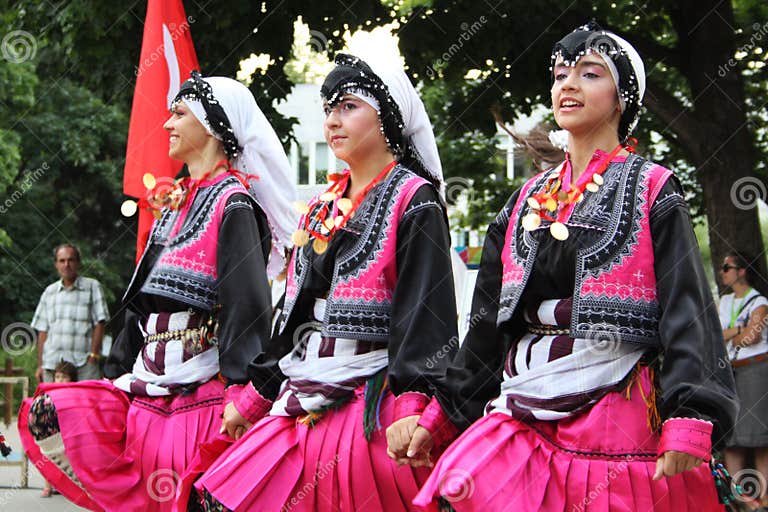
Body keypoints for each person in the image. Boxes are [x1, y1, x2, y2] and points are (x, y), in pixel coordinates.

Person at [388, 22, 738, 511]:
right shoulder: (523, 202)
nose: (568, 84)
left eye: (590, 73)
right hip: (521, 405)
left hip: (615, 408)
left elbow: (687, 306)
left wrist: (691, 413)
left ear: (622, 98)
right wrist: (445, 412)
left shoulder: (654, 189)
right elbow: (488, 325)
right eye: (559, 75)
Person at [190, 52, 458, 512]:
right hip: (302, 392)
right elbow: (291, 316)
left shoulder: (416, 200)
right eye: (329, 108)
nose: (333, 120)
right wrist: (257, 395)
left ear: (389, 116)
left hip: (371, 404)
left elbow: (425, 314)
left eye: (349, 106)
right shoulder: (320, 208)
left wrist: (412, 404)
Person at [18, 71, 296, 512]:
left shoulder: (235, 205)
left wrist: (240, 394)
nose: (167, 124)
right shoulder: (173, 205)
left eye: (179, 114)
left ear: (213, 126)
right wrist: (115, 378)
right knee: (50, 412)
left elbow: (246, 307)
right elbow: (139, 307)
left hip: (200, 401)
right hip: (148, 393)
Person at [719, 251, 768, 509]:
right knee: (732, 437)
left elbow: (753, 337)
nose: (722, 272)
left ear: (742, 271)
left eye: (727, 267)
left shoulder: (759, 301)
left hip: (755, 371)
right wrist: (740, 328)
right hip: (730, 371)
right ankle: (741, 497)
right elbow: (716, 334)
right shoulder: (724, 301)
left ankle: (765, 496)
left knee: (759, 437)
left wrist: (733, 334)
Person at [31, 243, 108, 383]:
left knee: (86, 397)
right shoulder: (49, 292)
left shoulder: (92, 286)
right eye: (62, 261)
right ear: (56, 264)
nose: (66, 265)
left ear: (78, 262)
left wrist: (94, 355)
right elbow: (42, 331)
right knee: (51, 398)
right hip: (52, 365)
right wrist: (40, 365)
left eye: (71, 260)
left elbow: (100, 322)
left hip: (84, 364)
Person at [40, 359, 78, 498]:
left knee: (69, 460)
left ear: (72, 379)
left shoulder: (75, 394)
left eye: (64, 377)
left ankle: (67, 486)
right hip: (53, 431)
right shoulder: (49, 394)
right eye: (57, 376)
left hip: (68, 431)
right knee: (49, 457)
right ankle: (47, 485)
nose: (60, 380)